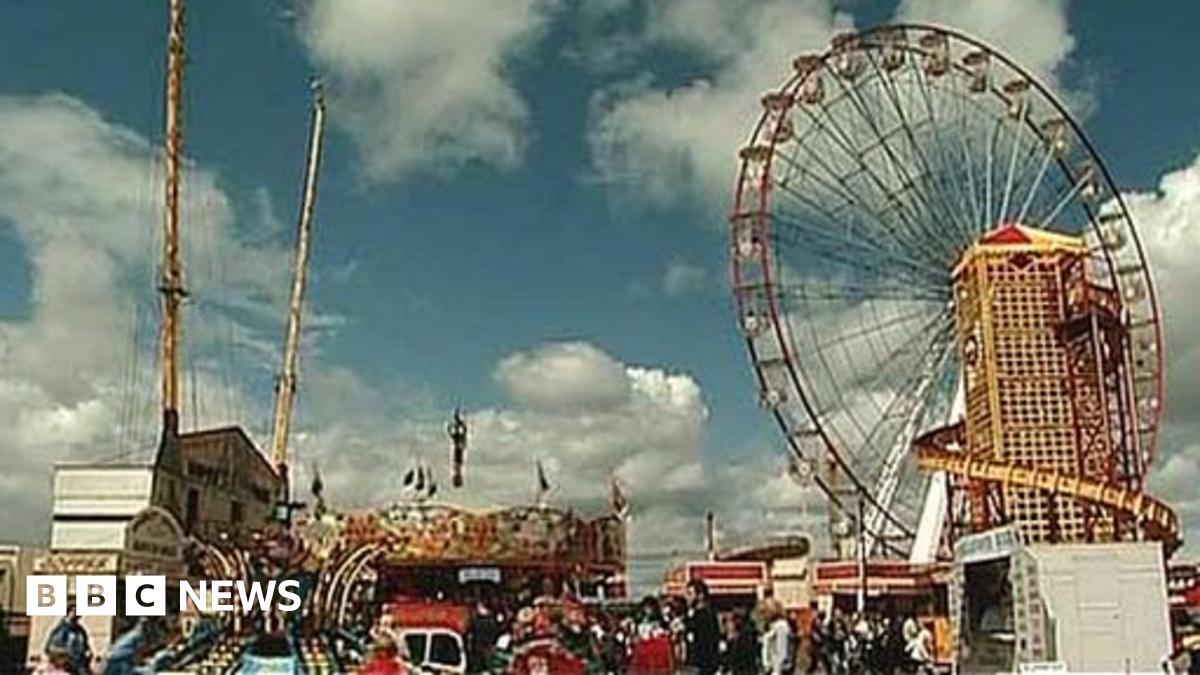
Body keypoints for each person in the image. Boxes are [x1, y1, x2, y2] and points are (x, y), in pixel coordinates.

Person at [683, 580, 720, 675]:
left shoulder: (705, 616)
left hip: (702, 665)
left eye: (690, 593)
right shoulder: (693, 615)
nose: (687, 597)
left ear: (700, 595)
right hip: (695, 665)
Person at [44, 607, 93, 675]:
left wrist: (88, 654)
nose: (77, 614)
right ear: (68, 613)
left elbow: (86, 646)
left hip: (78, 666)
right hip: (64, 668)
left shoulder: (80, 631)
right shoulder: (60, 630)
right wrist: (65, 657)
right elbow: (50, 649)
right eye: (74, 611)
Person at [760, 599, 794, 675]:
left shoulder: (781, 627)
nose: (762, 616)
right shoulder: (771, 627)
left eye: (764, 612)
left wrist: (777, 671)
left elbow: (782, 651)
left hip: (777, 670)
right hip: (770, 669)